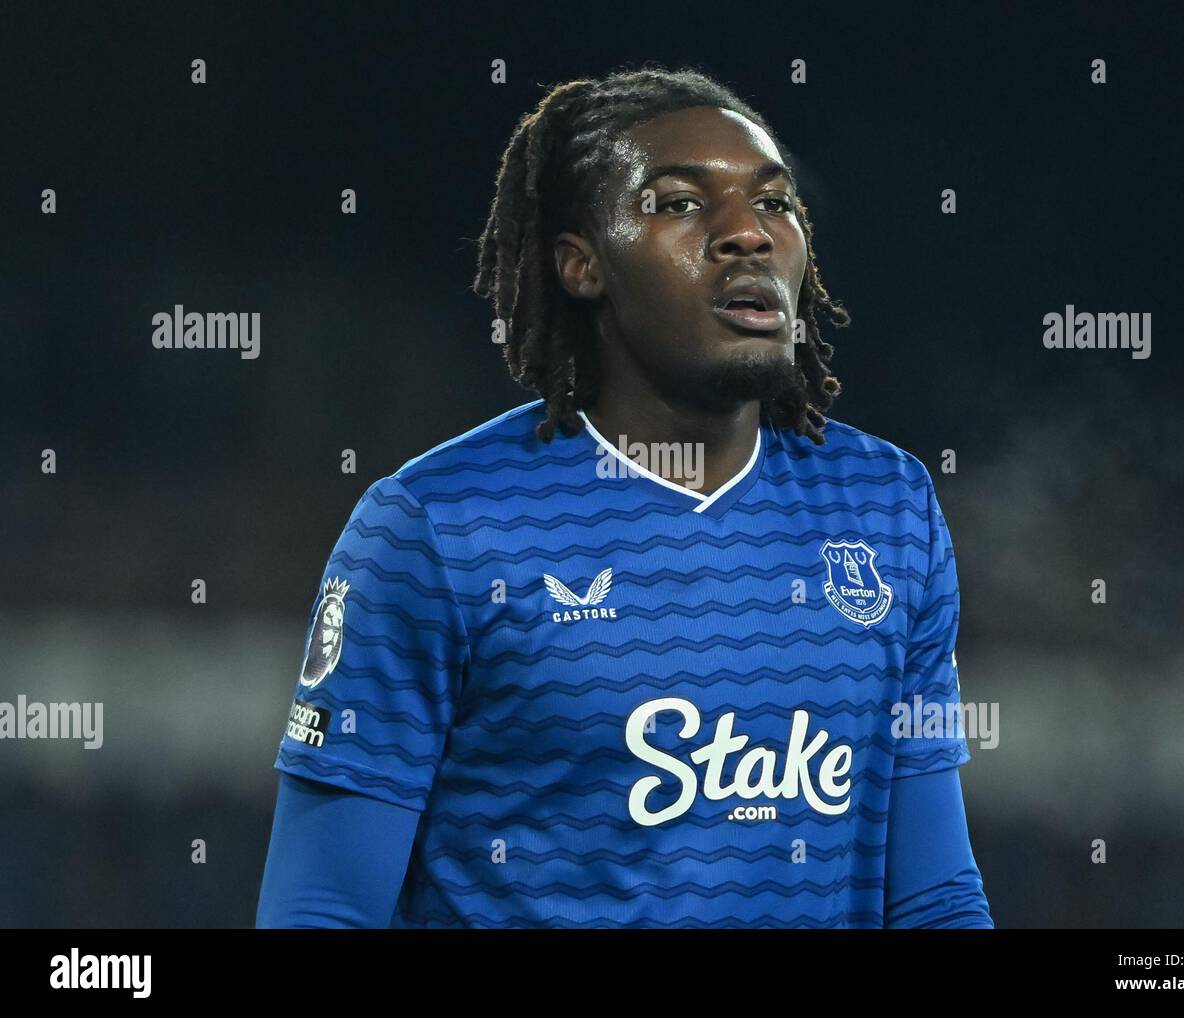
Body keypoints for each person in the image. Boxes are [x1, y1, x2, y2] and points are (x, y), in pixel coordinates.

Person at [257, 66, 993, 928]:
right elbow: (323, 907)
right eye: (680, 203)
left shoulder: (885, 509)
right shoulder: (440, 528)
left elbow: (934, 895)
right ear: (582, 266)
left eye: (775, 204)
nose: (746, 235)